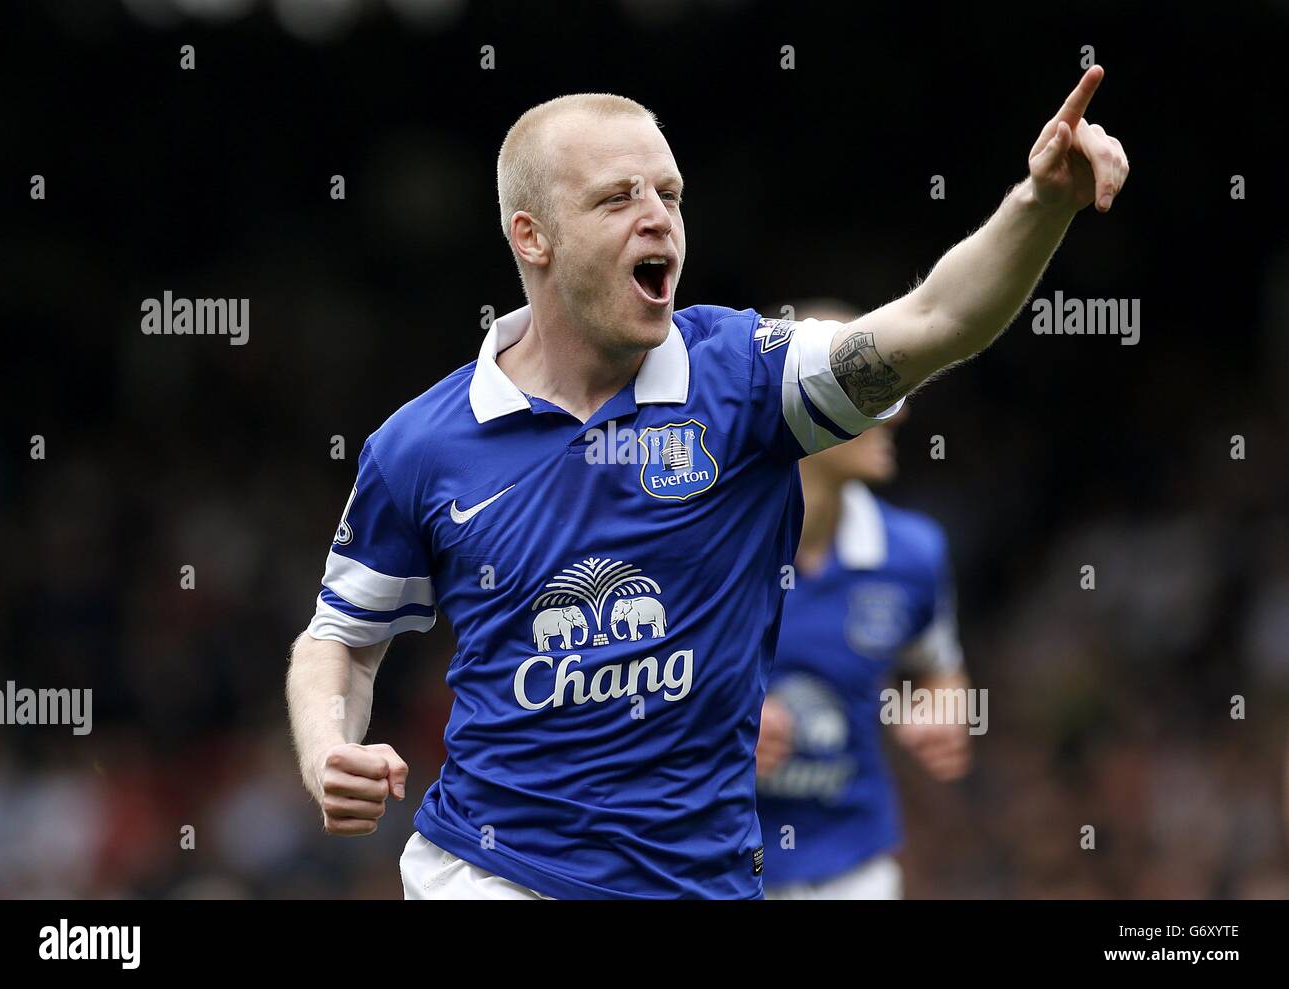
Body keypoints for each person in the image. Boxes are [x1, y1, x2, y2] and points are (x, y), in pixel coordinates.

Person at [285, 68, 1128, 899]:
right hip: (493, 871)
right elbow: (340, 641)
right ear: (532, 236)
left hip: (705, 881)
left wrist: (1040, 203)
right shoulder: (420, 445)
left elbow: (934, 322)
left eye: (671, 194)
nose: (658, 218)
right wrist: (329, 747)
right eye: (617, 199)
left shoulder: (746, 378)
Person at [755, 307, 971, 898]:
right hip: (714, 865)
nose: (899, 413)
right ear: (802, 406)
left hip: (855, 866)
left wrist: (938, 708)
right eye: (872, 390)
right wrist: (719, 729)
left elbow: (935, 667)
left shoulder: (912, 555)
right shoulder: (701, 548)